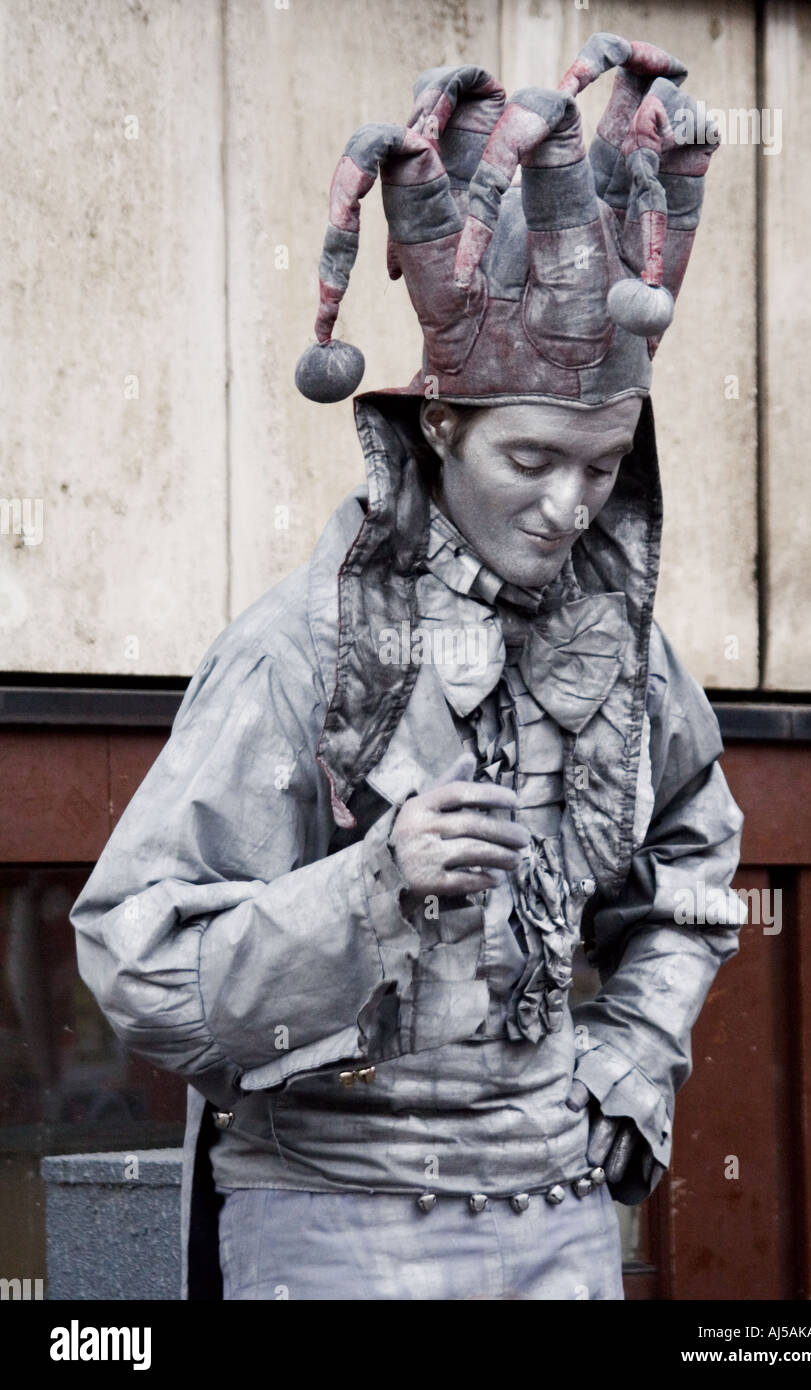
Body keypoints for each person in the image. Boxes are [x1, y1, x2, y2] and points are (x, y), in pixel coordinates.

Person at [71, 32, 745, 1301]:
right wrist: (370, 885)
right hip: (331, 1232)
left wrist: (635, 1048)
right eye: (529, 462)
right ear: (439, 428)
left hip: (558, 1224)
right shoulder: (295, 646)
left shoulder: (626, 652)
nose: (566, 508)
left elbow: (693, 864)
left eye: (599, 470)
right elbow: (138, 960)